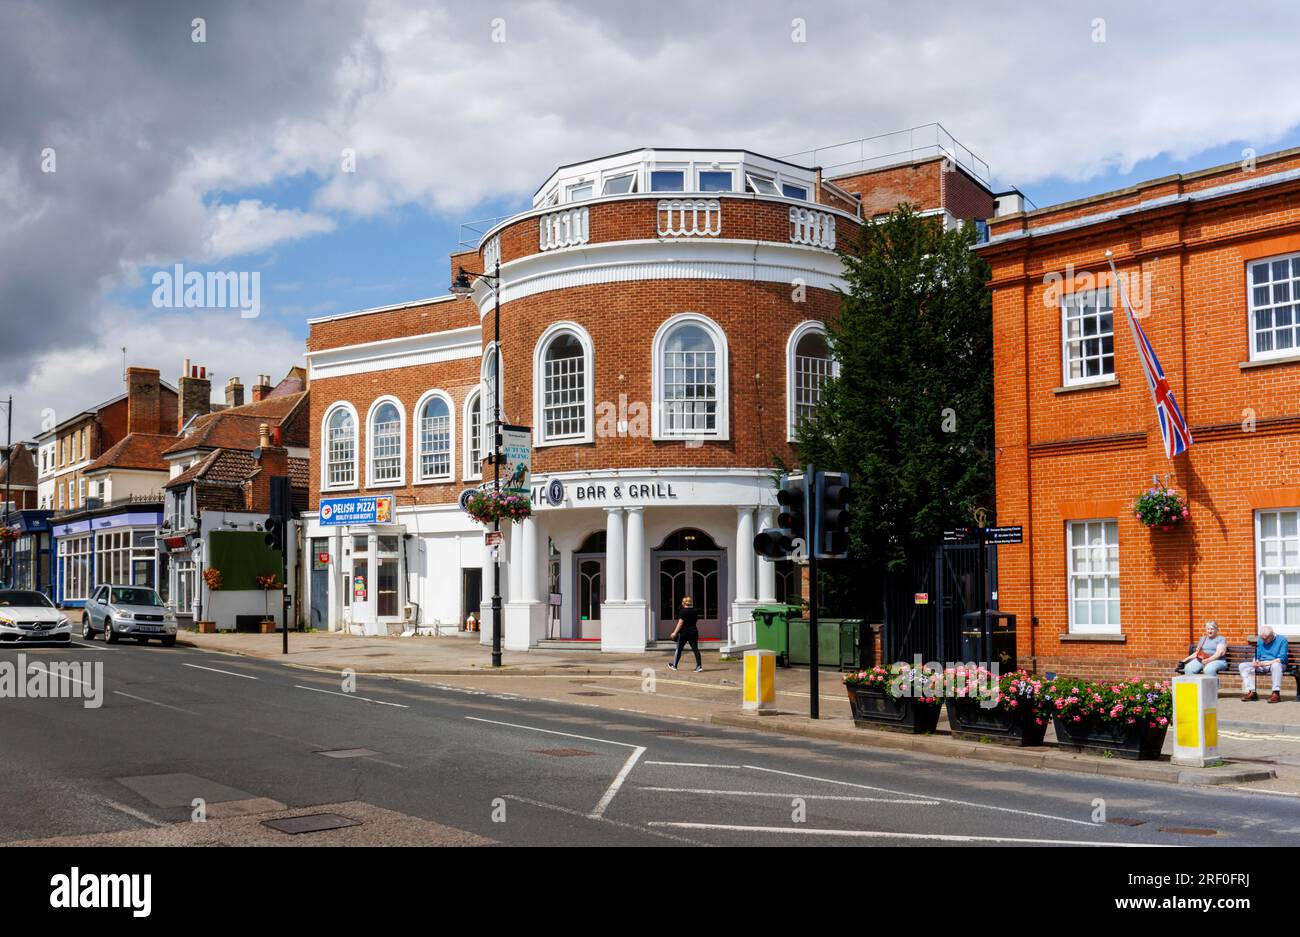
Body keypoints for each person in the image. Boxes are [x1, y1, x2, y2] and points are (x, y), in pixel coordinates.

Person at [1239, 625, 1290, 703]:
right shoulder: (1260, 640)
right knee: (1243, 666)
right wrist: (1255, 661)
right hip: (1262, 664)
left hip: (1276, 663)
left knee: (1276, 666)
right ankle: (1252, 692)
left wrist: (1268, 663)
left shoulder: (1282, 640)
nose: (1263, 640)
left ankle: (1276, 693)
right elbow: (1257, 655)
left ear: (1272, 635)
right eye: (1262, 638)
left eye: (1265, 639)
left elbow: (1282, 658)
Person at [667, 595, 702, 673]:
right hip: (693, 632)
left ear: (683, 603)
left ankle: (674, 666)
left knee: (679, 649)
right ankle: (699, 666)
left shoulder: (683, 611)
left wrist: (674, 633)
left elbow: (680, 623)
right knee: (695, 649)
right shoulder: (695, 611)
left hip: (684, 633)